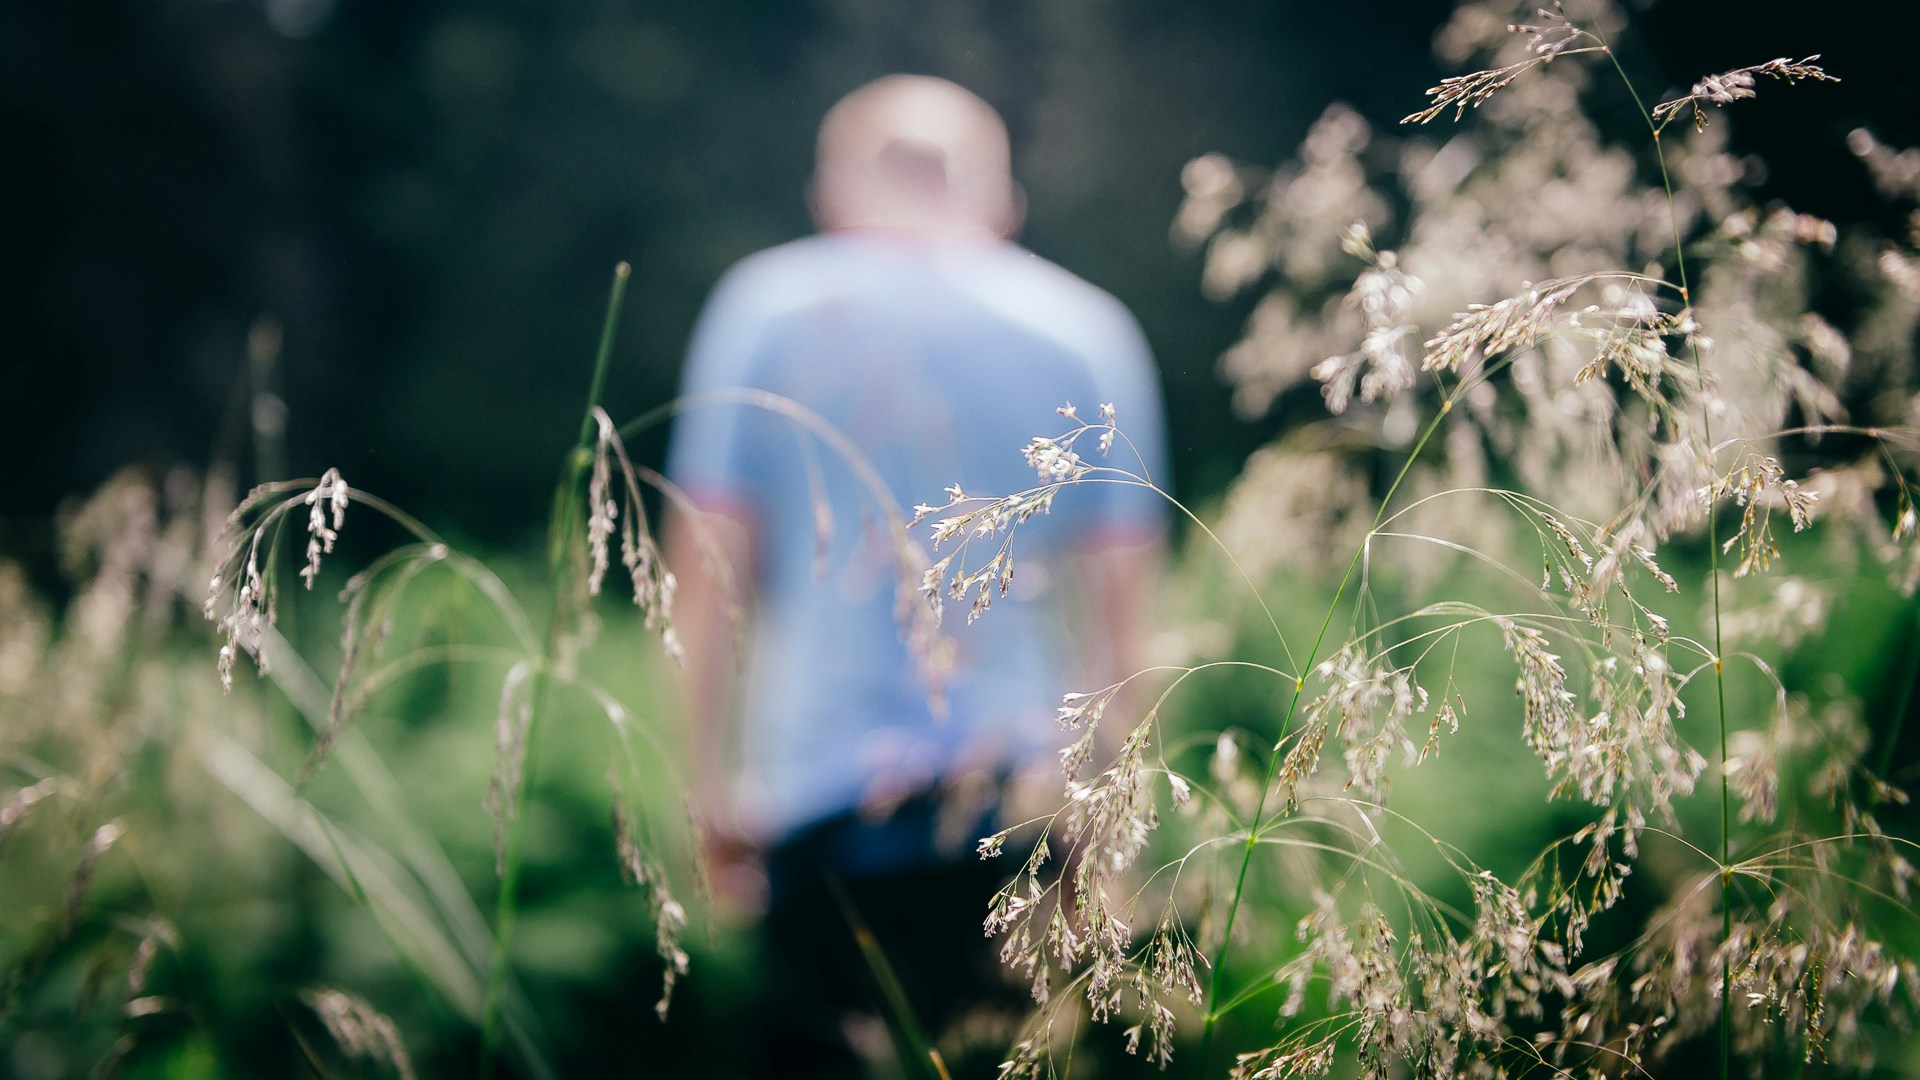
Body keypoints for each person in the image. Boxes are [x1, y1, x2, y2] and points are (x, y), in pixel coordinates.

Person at [661, 74, 1169, 1077]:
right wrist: (1117, 829)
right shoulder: (1087, 328)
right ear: (1003, 200)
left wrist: (703, 789)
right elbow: (1124, 620)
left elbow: (705, 573)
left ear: (831, 195)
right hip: (1024, 805)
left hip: (817, 800)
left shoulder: (765, 308)